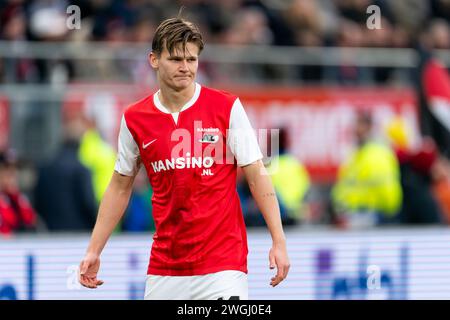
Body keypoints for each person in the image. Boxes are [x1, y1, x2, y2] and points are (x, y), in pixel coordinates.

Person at [78, 16, 290, 300]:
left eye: (192, 60)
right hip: (165, 267)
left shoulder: (226, 107)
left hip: (223, 266)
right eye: (176, 59)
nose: (186, 67)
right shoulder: (135, 119)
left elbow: (256, 174)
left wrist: (279, 240)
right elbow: (119, 186)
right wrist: (94, 249)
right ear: (153, 60)